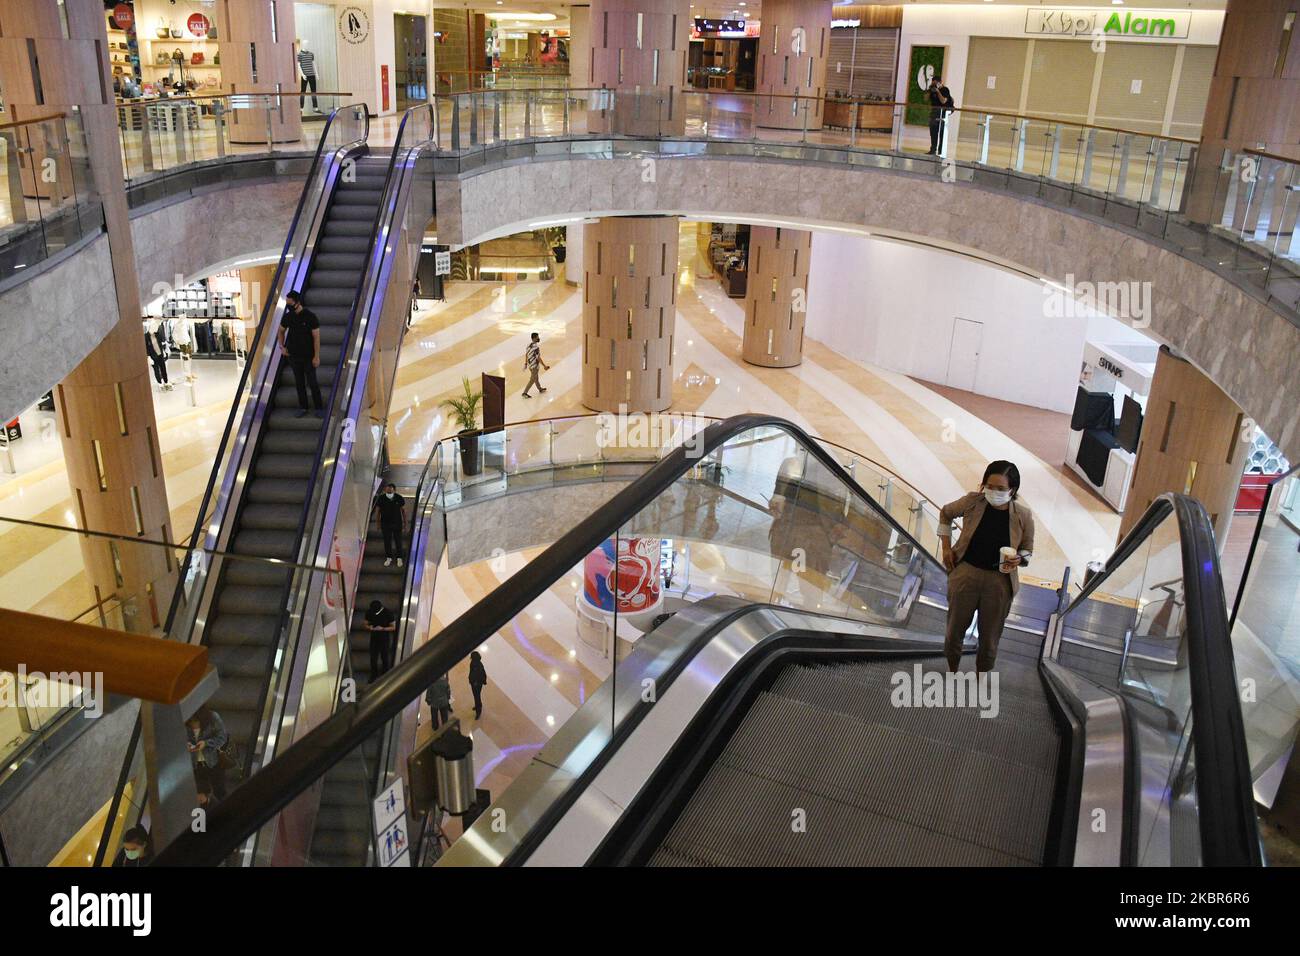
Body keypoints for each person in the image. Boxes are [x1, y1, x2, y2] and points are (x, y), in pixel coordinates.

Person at [937, 461, 1036, 674]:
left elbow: (1028, 548)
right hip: (966, 574)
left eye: (1001, 489)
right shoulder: (973, 502)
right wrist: (946, 548)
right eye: (989, 486)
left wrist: (1020, 558)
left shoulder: (1023, 515)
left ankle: (982, 674)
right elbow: (945, 513)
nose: (993, 492)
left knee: (989, 638)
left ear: (1013, 490)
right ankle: (952, 668)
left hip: (999, 583)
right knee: (954, 631)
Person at [279, 290, 324, 418]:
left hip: (309, 357)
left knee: (312, 383)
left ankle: (319, 407)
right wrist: (281, 346)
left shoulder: (310, 317)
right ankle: (303, 407)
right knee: (299, 383)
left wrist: (316, 356)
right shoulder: (288, 317)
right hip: (294, 356)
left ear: (298, 302)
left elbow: (316, 338)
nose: (288, 306)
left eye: (290, 303)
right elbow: (281, 331)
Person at [186, 706, 230, 803]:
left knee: (220, 792)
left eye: (196, 721)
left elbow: (222, 737)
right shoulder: (184, 719)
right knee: (200, 797)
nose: (193, 724)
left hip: (213, 762)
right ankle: (205, 815)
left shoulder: (213, 717)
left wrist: (206, 743)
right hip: (195, 765)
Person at [372, 481, 407, 567]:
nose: (388, 492)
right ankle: (389, 557)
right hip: (385, 524)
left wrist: (405, 523)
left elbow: (403, 511)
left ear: (394, 490)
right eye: (387, 490)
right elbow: (378, 512)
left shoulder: (399, 498)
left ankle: (399, 558)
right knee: (387, 541)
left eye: (390, 491)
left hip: (397, 523)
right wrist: (378, 523)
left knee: (398, 541)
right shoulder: (381, 498)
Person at [365, 599, 398, 681]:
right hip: (374, 637)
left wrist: (383, 628)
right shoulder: (369, 612)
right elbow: (365, 623)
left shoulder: (388, 613)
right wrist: (370, 627)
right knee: (373, 657)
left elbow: (393, 627)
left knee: (385, 657)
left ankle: (385, 674)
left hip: (384, 638)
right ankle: (374, 674)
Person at [927, 75, 954, 156]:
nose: (934, 86)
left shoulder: (945, 90)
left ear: (940, 83)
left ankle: (941, 151)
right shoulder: (932, 91)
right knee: (933, 132)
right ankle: (933, 149)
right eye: (933, 84)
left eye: (936, 84)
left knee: (942, 133)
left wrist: (938, 91)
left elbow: (943, 101)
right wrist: (929, 91)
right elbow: (925, 99)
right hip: (934, 113)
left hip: (943, 114)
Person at [144, 321, 172, 391]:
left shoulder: (157, 334)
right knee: (156, 370)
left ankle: (166, 382)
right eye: (156, 327)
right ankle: (160, 383)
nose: (157, 328)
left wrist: (163, 352)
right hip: (153, 357)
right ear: (151, 327)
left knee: (163, 369)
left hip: (160, 355)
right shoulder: (145, 337)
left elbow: (160, 344)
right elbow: (146, 348)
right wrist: (148, 357)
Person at [522, 332, 550, 398]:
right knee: (532, 379)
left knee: (536, 378)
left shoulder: (528, 345)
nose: (538, 338)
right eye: (537, 337)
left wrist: (526, 363)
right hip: (534, 366)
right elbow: (538, 358)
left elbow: (526, 354)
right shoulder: (536, 347)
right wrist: (544, 366)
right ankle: (525, 393)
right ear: (534, 338)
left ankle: (540, 389)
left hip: (530, 365)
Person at [296, 39, 319, 112]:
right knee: (303, 91)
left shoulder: (311, 54)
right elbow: (298, 65)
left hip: (312, 75)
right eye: (305, 44)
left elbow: (314, 64)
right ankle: (301, 107)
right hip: (305, 76)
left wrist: (316, 74)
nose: (307, 45)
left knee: (314, 91)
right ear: (303, 44)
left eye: (308, 44)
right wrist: (302, 74)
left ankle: (315, 107)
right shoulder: (299, 54)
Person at [468, 650, 487, 719]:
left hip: (477, 684)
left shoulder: (478, 665)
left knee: (477, 696)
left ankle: (478, 711)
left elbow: (479, 675)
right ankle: (478, 706)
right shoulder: (474, 663)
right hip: (475, 682)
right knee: (476, 696)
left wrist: (475, 682)